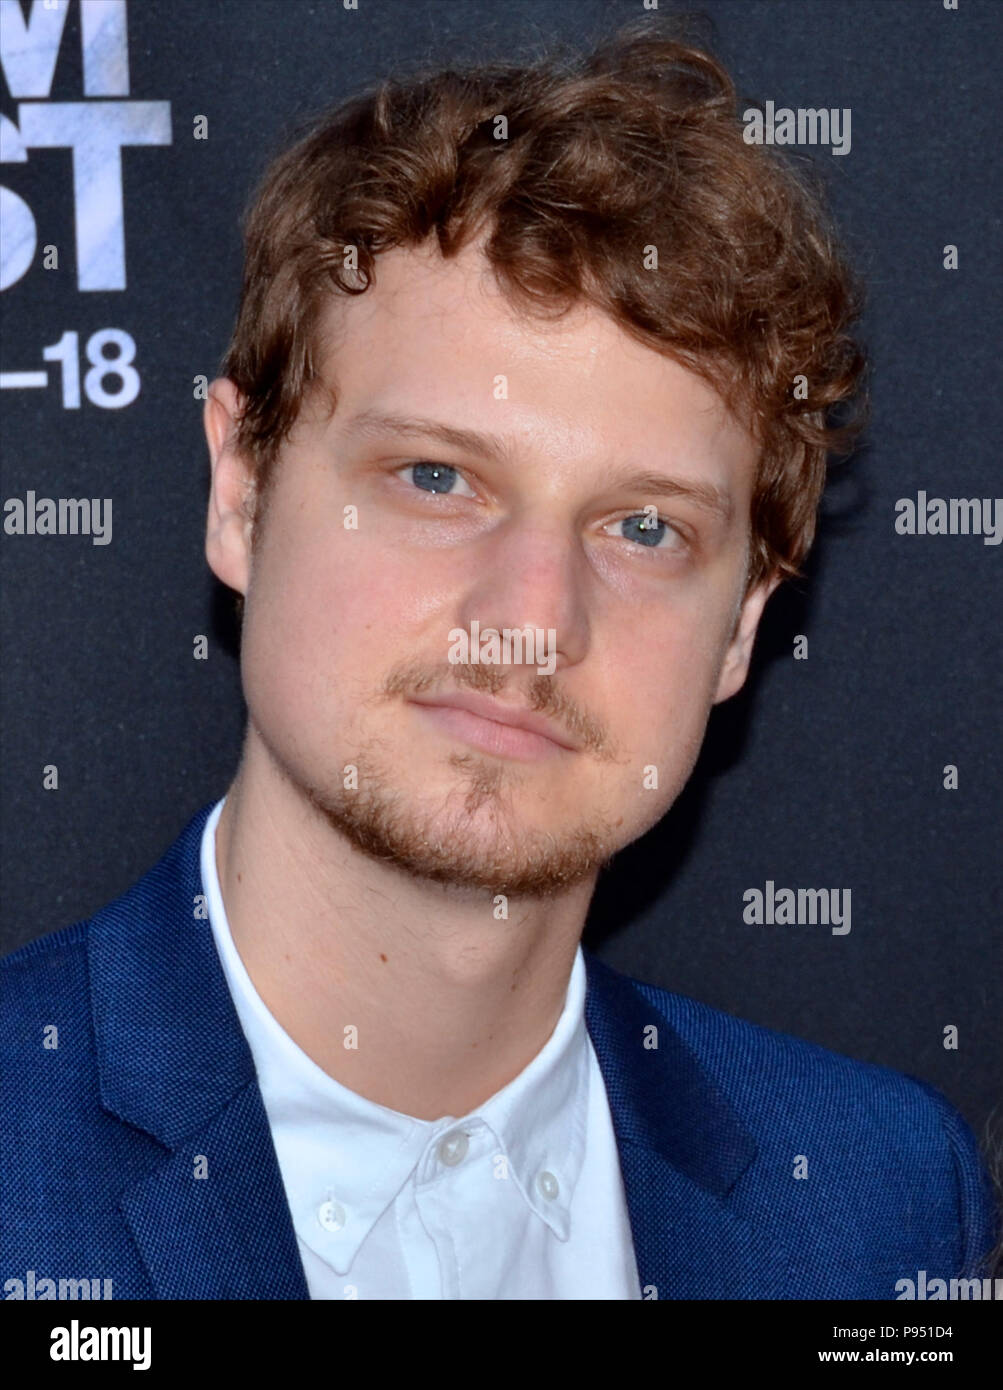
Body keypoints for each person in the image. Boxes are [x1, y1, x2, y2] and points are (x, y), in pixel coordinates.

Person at [3, 20, 996, 1301]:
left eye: (643, 527)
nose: (532, 617)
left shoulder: (881, 1201)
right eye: (436, 477)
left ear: (743, 620)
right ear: (241, 491)